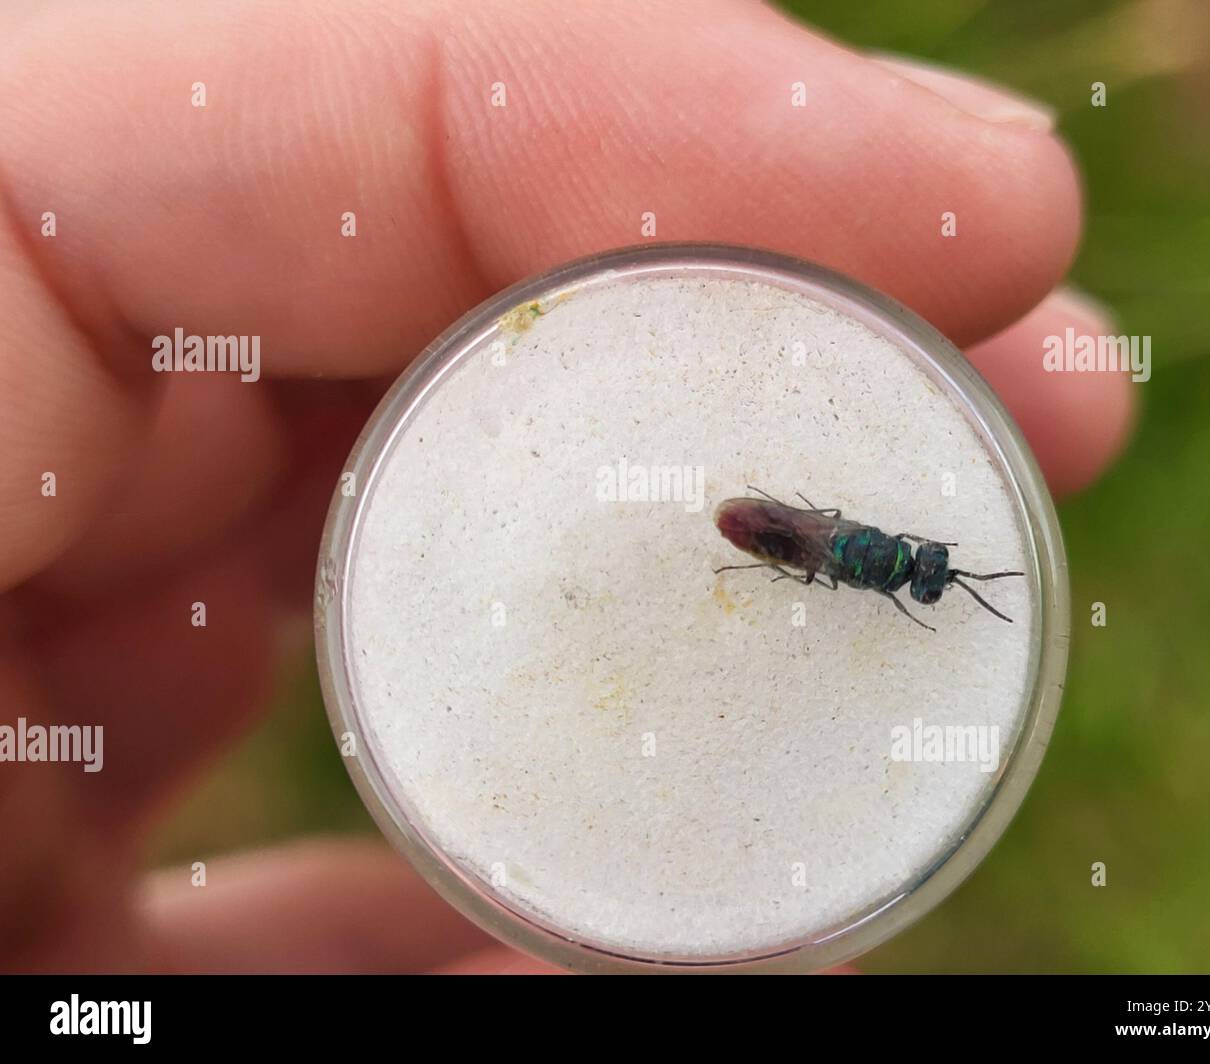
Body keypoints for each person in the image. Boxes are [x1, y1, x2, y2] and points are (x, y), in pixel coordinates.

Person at [0, 0, 1132, 973]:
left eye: (932, 571)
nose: (930, 569)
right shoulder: (866, 554)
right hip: (805, 538)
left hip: (807, 537)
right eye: (935, 568)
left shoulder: (865, 545)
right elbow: (844, 553)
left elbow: (843, 548)